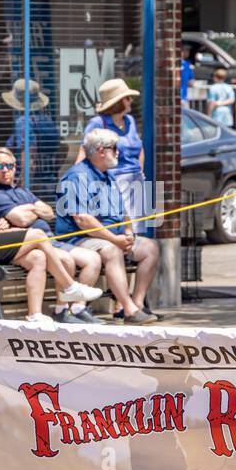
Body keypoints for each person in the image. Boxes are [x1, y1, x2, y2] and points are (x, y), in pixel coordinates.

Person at [0, 146, 102, 324]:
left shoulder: (16, 190)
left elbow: (49, 212)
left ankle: (36, 314)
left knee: (40, 257)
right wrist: (2, 228)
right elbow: (11, 220)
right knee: (46, 242)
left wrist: (29, 210)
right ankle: (69, 290)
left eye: (9, 165)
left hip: (30, 241)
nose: (5, 170)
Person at [55, 128, 160, 324]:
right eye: (115, 148)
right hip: (79, 239)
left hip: (112, 236)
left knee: (149, 248)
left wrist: (129, 233)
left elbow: (124, 211)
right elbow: (83, 220)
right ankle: (127, 309)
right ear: (101, 150)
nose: (119, 152)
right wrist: (115, 240)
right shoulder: (77, 176)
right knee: (112, 251)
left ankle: (136, 305)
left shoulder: (108, 176)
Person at [81, 78, 149, 231]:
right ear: (117, 102)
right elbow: (86, 153)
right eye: (127, 97)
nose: (131, 100)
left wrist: (139, 172)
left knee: (137, 233)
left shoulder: (130, 120)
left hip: (135, 182)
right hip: (112, 184)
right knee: (119, 230)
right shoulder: (98, 123)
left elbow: (140, 148)